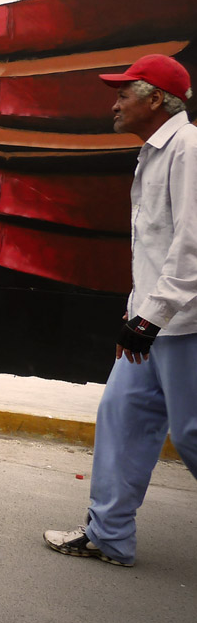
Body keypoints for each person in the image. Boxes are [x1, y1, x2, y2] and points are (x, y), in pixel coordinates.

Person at [44, 54, 197, 565]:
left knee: (193, 433)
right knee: (122, 416)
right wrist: (139, 317)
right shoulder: (155, 151)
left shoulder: (189, 149)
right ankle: (108, 535)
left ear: (155, 98)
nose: (114, 104)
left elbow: (192, 247)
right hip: (153, 324)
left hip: (185, 324)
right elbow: (157, 247)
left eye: (123, 94)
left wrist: (151, 317)